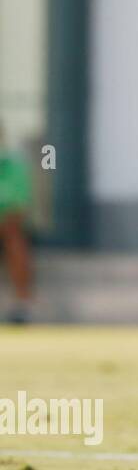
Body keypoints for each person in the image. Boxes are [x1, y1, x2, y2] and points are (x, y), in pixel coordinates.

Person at [0, 124, 35, 323]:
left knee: (15, 239)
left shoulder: (14, 166)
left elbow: (18, 210)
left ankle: (22, 304)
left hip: (7, 228)